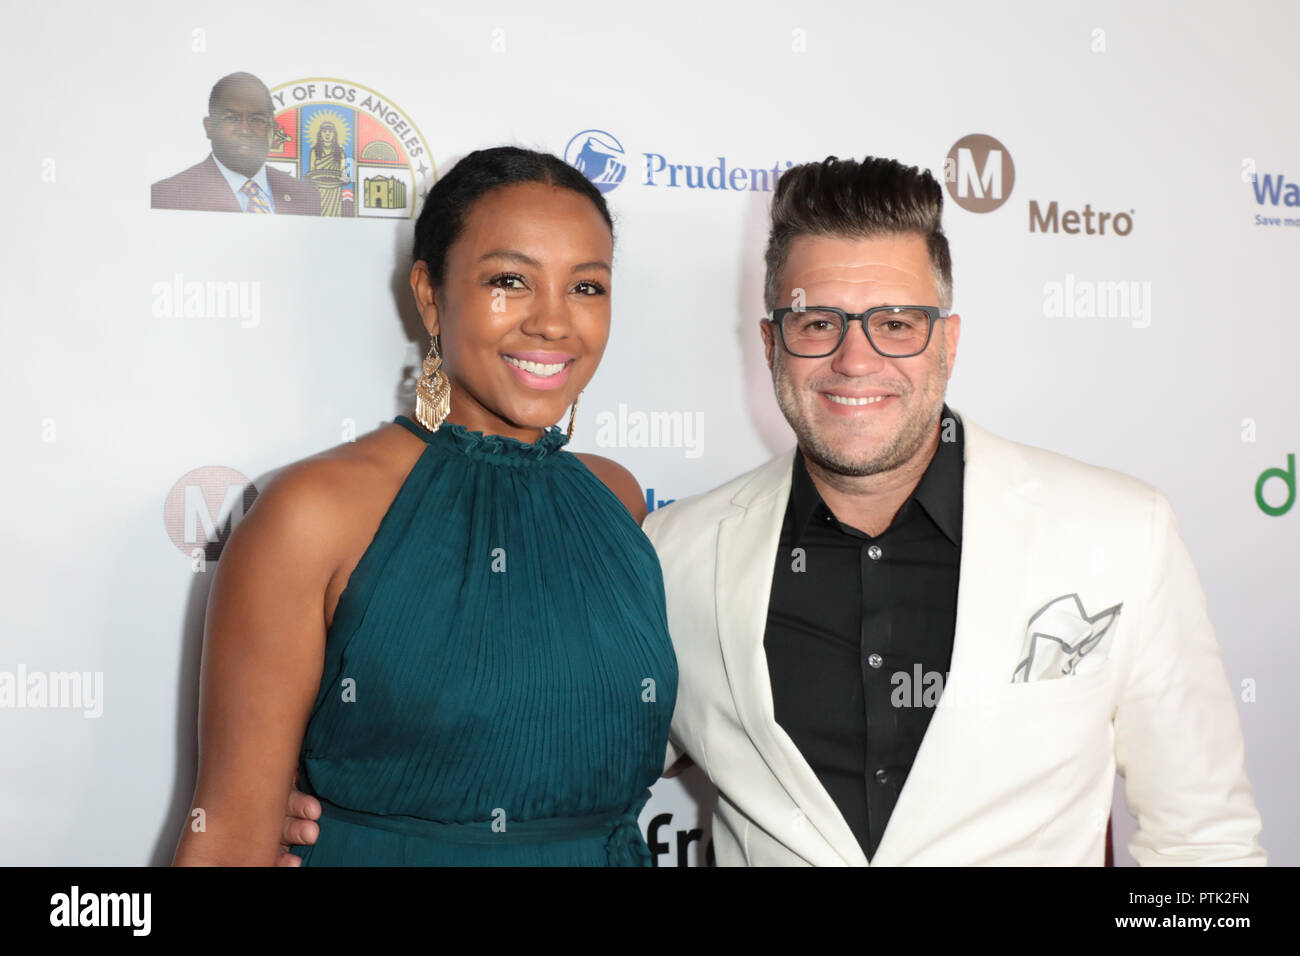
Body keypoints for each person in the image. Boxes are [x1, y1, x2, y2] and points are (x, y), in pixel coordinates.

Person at [279, 155, 1266, 867]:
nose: (855, 358)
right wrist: (350, 807)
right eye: (815, 321)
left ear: (948, 339)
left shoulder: (1118, 531)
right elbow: (553, 738)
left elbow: (1208, 843)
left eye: (895, 321)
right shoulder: (669, 551)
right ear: (769, 340)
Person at [173, 146, 676, 866]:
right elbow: (225, 835)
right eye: (510, 281)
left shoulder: (614, 498)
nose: (554, 323)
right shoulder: (313, 511)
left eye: (586, 288)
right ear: (431, 294)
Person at [151, 72, 321, 215]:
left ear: (273, 130)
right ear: (209, 127)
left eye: (256, 119)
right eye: (232, 118)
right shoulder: (167, 195)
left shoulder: (306, 196)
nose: (245, 130)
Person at [304, 121, 350, 217]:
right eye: (325, 131)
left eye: (330, 131)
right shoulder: (314, 152)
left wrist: (346, 179)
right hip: (319, 188)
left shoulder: (340, 153)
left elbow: (344, 172)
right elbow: (311, 172)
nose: (327, 134)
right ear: (320, 134)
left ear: (334, 134)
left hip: (335, 190)